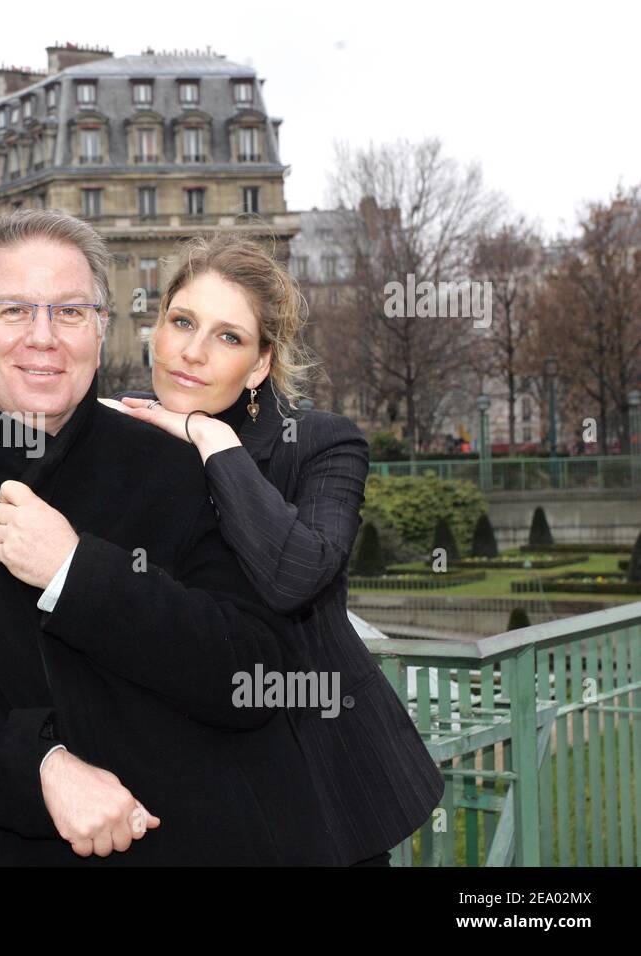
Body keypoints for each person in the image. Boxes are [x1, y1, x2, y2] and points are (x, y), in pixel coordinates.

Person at [0, 209, 338, 865]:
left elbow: (253, 673)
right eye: (15, 310)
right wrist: (38, 766)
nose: (43, 337)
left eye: (70, 312)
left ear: (101, 331)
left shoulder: (180, 466)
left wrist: (77, 575)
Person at [99, 233, 444, 866]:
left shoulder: (321, 444)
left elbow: (295, 575)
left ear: (260, 364)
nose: (193, 352)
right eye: (182, 322)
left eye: (229, 337)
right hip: (176, 786)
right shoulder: (115, 435)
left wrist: (210, 441)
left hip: (319, 783)